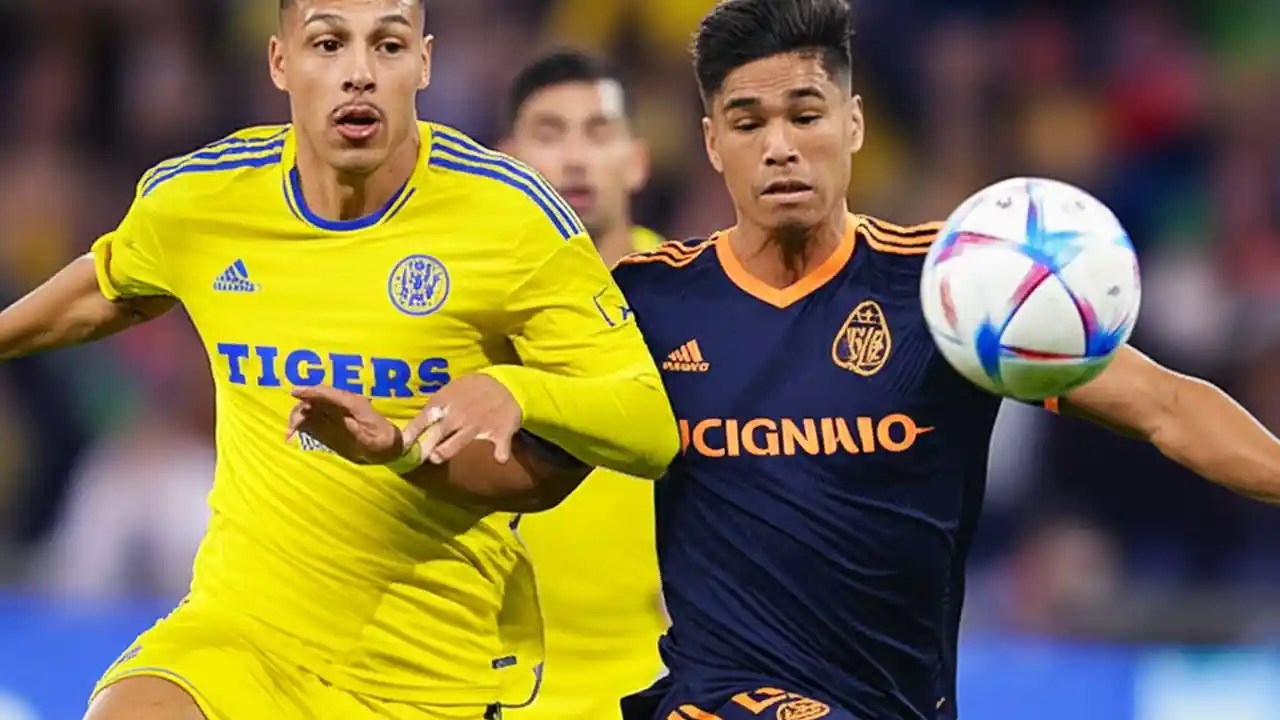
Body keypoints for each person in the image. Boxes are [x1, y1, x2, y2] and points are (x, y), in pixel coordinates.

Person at [0, 1, 678, 719]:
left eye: (387, 45)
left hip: (426, 665)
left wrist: (511, 391)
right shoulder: (200, 199)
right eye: (328, 43)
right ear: (280, 61)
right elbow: (110, 284)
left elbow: (647, 422)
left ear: (423, 62)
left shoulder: (511, 218)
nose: (359, 73)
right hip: (242, 634)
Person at [611, 1, 1280, 719]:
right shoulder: (650, 301)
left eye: (805, 116)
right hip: (715, 699)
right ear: (713, 143)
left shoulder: (952, 288)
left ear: (855, 123)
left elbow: (1164, 406)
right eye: (749, 124)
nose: (780, 146)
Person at [499, 50, 667, 720]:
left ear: (636, 158)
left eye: (598, 133)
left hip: (662, 681)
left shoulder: (697, 305)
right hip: (504, 688)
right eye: (550, 133)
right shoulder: (465, 314)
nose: (575, 158)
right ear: (506, 160)